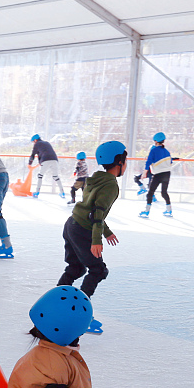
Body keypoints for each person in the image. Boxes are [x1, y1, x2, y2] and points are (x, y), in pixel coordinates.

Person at [56, 141, 126, 335]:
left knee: (75, 268)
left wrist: (107, 231)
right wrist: (97, 240)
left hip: (71, 224)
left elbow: (91, 209)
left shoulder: (95, 178)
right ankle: (79, 313)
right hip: (83, 231)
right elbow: (97, 213)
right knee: (98, 270)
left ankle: (56, 302)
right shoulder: (110, 185)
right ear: (120, 161)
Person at [139, 132, 176, 218]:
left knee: (150, 192)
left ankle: (146, 211)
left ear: (155, 141)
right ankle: (169, 209)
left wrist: (144, 173)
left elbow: (148, 162)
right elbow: (170, 162)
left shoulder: (153, 150)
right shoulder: (167, 151)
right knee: (164, 192)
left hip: (158, 174)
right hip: (167, 173)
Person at [28, 134, 64, 199]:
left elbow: (33, 155)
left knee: (40, 176)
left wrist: (29, 164)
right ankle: (62, 192)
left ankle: (37, 192)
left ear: (35, 140)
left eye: (33, 142)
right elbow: (47, 151)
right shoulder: (47, 143)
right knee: (56, 176)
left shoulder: (37, 144)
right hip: (55, 160)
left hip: (45, 160)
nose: (33, 143)